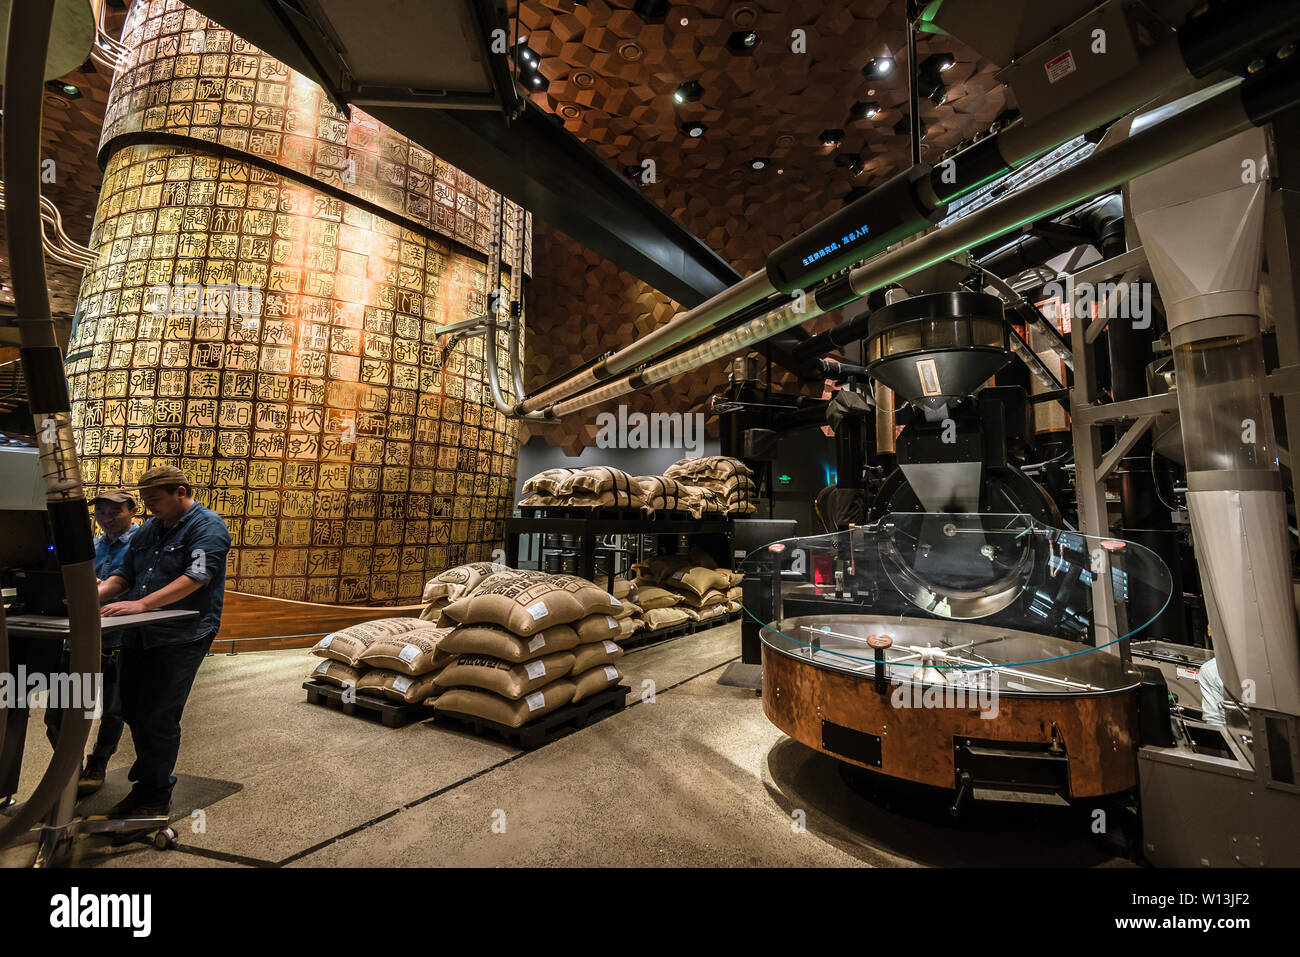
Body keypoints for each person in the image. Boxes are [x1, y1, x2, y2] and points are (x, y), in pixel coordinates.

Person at [96, 465, 230, 825]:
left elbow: (197, 577)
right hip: (139, 633)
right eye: (146, 501)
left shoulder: (208, 526)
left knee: (159, 715)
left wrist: (142, 604)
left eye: (155, 500)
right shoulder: (151, 530)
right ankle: (146, 787)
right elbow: (124, 574)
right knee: (132, 710)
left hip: (182, 634)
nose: (149, 507)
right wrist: (92, 595)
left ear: (181, 492)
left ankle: (154, 798)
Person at [43, 490, 139, 795]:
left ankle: (98, 762)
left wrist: (98, 588)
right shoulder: (92, 546)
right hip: (78, 636)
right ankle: (69, 764)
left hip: (118, 638)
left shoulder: (142, 545)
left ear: (132, 510)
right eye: (100, 513)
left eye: (115, 512)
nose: (106, 519)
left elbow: (134, 586)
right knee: (58, 710)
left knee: (112, 709)